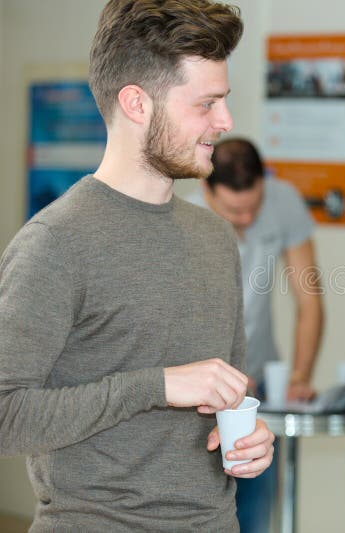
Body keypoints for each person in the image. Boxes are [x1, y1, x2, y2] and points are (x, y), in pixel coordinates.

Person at [0, 1, 275, 531]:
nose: (226, 122)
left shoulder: (216, 238)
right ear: (137, 104)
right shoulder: (55, 243)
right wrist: (155, 386)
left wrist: (249, 434)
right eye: (207, 104)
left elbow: (230, 393)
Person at [188, 137, 323, 532]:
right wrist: (220, 374)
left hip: (257, 383)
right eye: (234, 211)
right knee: (201, 507)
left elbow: (310, 301)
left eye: (254, 207)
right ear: (206, 190)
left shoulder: (284, 201)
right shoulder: (181, 218)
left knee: (257, 509)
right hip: (198, 390)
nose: (246, 219)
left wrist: (300, 375)